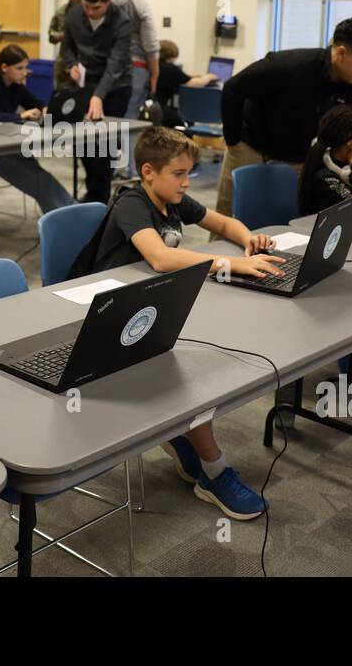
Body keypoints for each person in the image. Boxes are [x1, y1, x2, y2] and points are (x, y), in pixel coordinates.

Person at [89, 126, 279, 520]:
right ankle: (214, 471)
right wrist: (231, 264)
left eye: (188, 173)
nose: (186, 182)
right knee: (186, 372)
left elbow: (224, 224)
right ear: (148, 172)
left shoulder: (173, 200)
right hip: (108, 315)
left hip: (150, 306)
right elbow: (159, 258)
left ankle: (177, 431)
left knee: (201, 350)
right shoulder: (133, 203)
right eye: (179, 174)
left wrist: (247, 241)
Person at [216, 16, 352, 220]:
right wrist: (233, 140)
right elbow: (233, 89)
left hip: (298, 159)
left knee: (286, 221)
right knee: (228, 217)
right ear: (341, 53)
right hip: (250, 146)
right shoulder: (287, 65)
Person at [0, 44, 75, 213]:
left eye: (26, 68)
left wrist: (50, 110)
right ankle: (69, 212)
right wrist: (19, 116)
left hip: (7, 143)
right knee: (40, 180)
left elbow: (36, 104)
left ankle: (66, 212)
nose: (24, 72)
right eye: (19, 68)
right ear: (4, 67)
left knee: (41, 177)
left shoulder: (16, 87)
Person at [60, 0, 133, 203]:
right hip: (85, 82)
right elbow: (67, 47)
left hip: (116, 86)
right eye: (86, 6)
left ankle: (97, 201)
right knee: (81, 141)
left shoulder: (122, 22)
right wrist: (72, 65)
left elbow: (115, 64)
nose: (90, 12)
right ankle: (96, 195)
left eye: (96, 7)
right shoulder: (73, 15)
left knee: (105, 146)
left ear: (108, 2)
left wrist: (98, 96)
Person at [110, 0, 159, 121]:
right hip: (136, 67)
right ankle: (127, 147)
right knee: (130, 118)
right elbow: (150, 44)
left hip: (108, 68)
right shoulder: (140, 5)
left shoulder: (104, 5)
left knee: (107, 117)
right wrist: (155, 73)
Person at [151, 40, 217, 128]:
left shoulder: (154, 65)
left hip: (149, 107)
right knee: (188, 120)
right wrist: (209, 76)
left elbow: (182, 77)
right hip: (160, 110)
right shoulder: (171, 69)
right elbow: (198, 83)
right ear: (172, 55)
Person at [48, 0, 81, 86]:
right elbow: (51, 35)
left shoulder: (87, 10)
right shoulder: (61, 12)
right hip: (63, 66)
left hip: (82, 65)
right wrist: (61, 35)